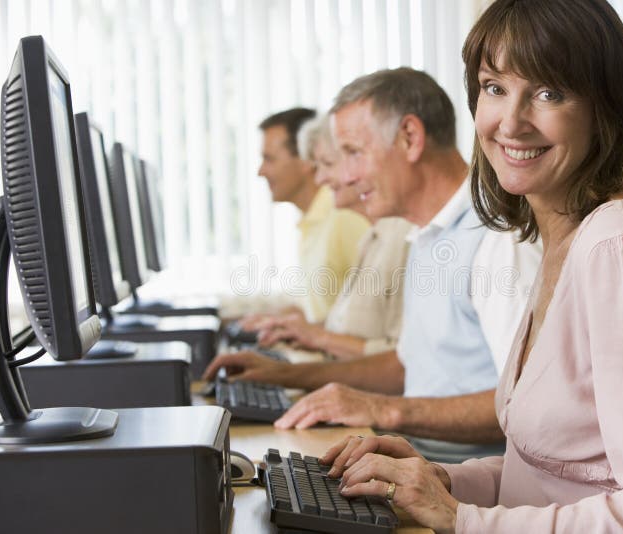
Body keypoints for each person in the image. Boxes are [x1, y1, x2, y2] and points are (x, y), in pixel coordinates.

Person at [319, 1, 623, 532]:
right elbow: (557, 474)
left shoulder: (619, 247)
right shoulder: (566, 238)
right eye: (495, 87)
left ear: (604, 106)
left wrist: (462, 519)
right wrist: (444, 480)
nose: (511, 122)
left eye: (549, 92)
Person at [204, 68, 542, 460]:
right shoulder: (428, 234)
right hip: (422, 460)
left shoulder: (498, 240)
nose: (345, 176)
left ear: (410, 138)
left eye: (353, 153)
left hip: (468, 490)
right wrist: (286, 375)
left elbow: (527, 407)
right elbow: (407, 367)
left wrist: (383, 410)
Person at [256, 114, 413, 360]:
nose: (321, 179)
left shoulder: (353, 223)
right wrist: (303, 329)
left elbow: (397, 353)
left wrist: (318, 338)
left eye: (327, 164)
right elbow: (345, 321)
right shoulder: (370, 237)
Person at [239, 108, 369, 326]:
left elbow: (371, 322)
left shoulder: (344, 217)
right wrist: (286, 318)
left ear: (306, 160)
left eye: (269, 159)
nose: (260, 172)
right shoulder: (311, 221)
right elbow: (332, 308)